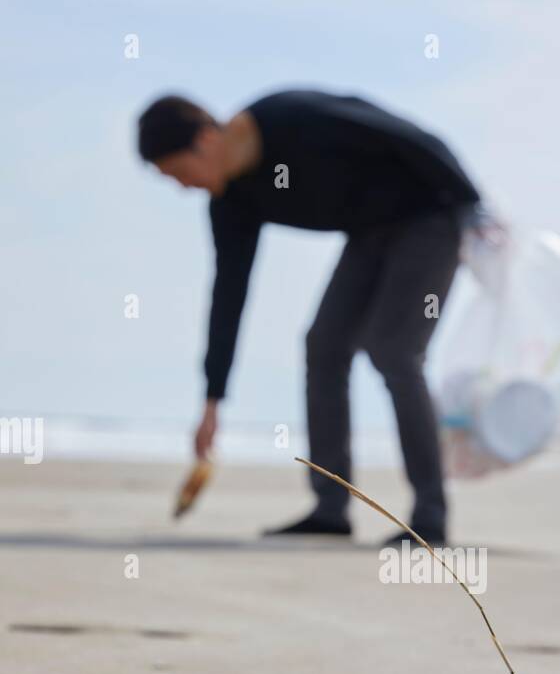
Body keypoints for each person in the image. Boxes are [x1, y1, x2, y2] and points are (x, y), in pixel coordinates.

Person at [137, 90, 484, 544]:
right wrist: (212, 400)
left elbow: (405, 134)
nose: (184, 186)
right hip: (369, 233)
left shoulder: (290, 118)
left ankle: (430, 515)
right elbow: (228, 296)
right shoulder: (232, 203)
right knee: (324, 346)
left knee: (394, 349)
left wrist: (468, 202)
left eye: (180, 173)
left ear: (206, 139)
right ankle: (330, 508)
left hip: (431, 214)